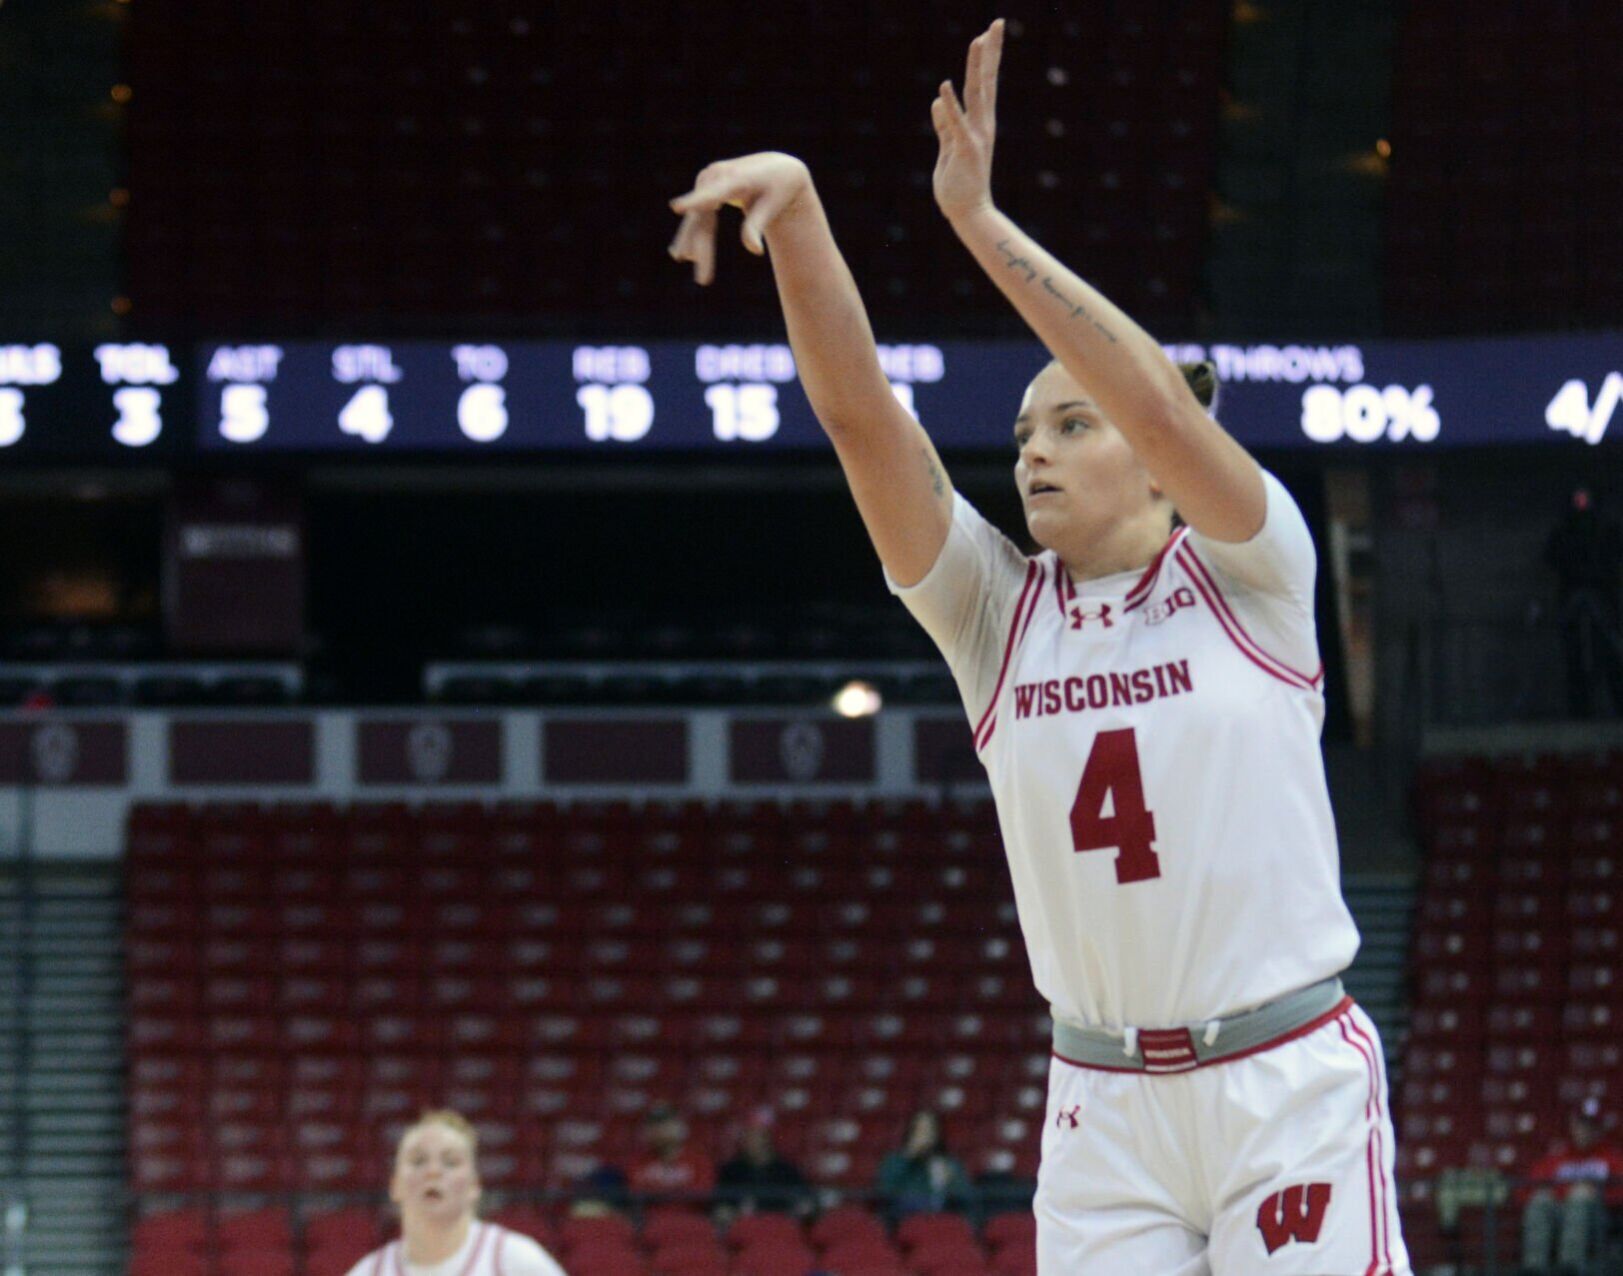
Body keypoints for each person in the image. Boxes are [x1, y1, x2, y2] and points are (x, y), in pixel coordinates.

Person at [669, 18, 1409, 1274]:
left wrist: (978, 222)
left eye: (1071, 423)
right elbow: (861, 421)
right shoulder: (996, 614)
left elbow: (1160, 403)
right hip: (1101, 1102)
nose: (1035, 452)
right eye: (1023, 436)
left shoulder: (1257, 568)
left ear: (1154, 472)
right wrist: (797, 219)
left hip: (1283, 1084)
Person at [342, 1110, 566, 1276]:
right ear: (395, 1185)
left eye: (450, 1162)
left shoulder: (516, 1260)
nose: (433, 1171)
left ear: (474, 1186)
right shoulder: (369, 1271)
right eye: (418, 1160)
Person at [1544, 487, 1623, 718]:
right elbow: (1552, 562)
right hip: (1573, 604)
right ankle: (1580, 712)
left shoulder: (1607, 532)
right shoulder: (1563, 534)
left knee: (1610, 658)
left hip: (1604, 604)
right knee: (1576, 661)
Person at [1519, 1099, 1623, 1273]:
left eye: (1591, 1126)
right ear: (1573, 1126)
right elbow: (1526, 1189)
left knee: (1580, 1196)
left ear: (1600, 1129)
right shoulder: (1557, 1157)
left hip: (1598, 1218)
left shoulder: (1612, 1158)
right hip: (1560, 1213)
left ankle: (1569, 1268)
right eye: (1582, 1125)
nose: (1585, 1131)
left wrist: (1595, 1193)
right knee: (1540, 1200)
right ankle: (1534, 1268)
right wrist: (1550, 1193)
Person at [714, 1106, 811, 1219]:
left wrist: (799, 1209)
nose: (750, 1141)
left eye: (756, 1136)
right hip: (742, 1227)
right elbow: (720, 1206)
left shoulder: (787, 1170)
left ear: (767, 1139)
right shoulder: (731, 1170)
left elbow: (806, 1203)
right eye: (747, 1136)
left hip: (779, 1228)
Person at [875, 1110, 972, 1220]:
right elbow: (884, 1193)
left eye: (928, 1130)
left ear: (937, 1134)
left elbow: (966, 1198)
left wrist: (952, 1181)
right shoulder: (894, 1161)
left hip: (942, 1221)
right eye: (919, 1130)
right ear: (910, 1132)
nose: (923, 1135)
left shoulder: (950, 1163)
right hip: (904, 1220)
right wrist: (908, 1158)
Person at [627, 1103, 715, 1202]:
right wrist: (677, 1188)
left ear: (681, 1128)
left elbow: (702, 1194)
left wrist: (657, 1189)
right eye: (654, 1125)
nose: (660, 1130)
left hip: (691, 1215)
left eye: (666, 1124)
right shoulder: (637, 1161)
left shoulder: (699, 1161)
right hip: (648, 1216)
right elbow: (636, 1192)